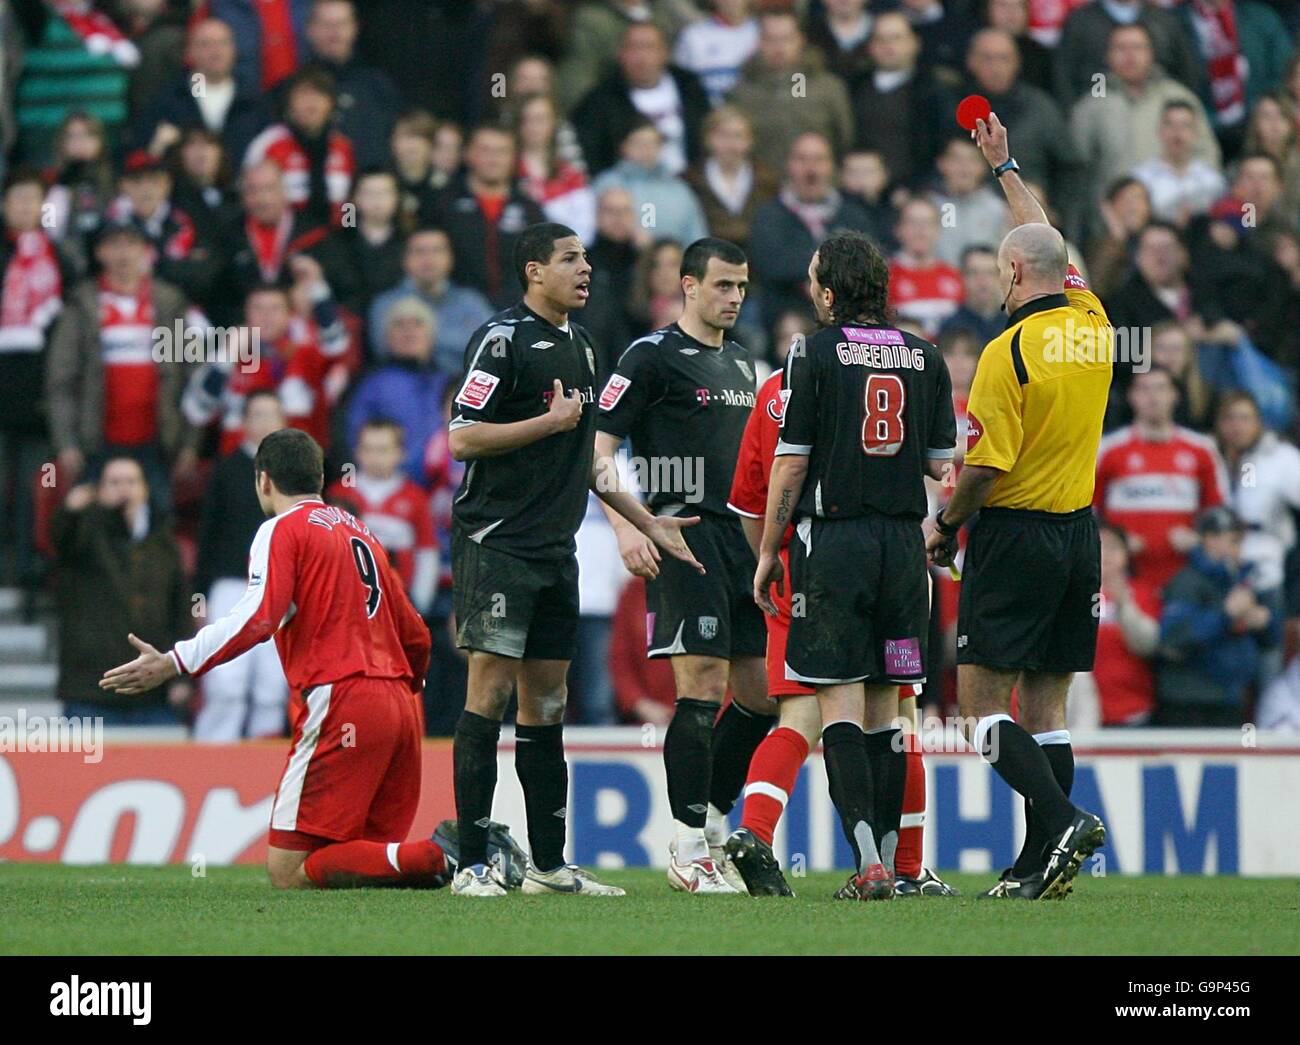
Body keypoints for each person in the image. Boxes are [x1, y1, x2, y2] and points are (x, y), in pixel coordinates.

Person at [446, 222, 703, 897]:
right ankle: (471, 862)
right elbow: (461, 437)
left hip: (555, 550)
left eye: (587, 258)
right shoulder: (502, 340)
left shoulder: (586, 348)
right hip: (496, 543)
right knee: (489, 694)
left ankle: (548, 866)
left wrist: (645, 522)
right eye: (569, 259)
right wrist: (545, 423)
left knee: (548, 701)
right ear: (534, 271)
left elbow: (594, 460)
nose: (585, 269)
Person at [100, 428, 447, 891]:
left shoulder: (282, 529)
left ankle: (449, 854)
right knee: (363, 868)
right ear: (321, 478)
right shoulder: (360, 529)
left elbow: (258, 617)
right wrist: (402, 692)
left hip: (343, 696)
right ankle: (454, 861)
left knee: (288, 871)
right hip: (401, 704)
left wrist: (176, 660)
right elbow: (416, 633)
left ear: (263, 481)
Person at [923, 112, 1109, 901]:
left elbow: (986, 471)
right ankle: (1040, 866)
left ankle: (1063, 819)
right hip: (1080, 535)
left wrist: (945, 523)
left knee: (981, 709)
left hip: (1017, 535)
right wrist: (1005, 169)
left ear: (1010, 274)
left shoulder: (1006, 355)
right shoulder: (1094, 325)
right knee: (1049, 706)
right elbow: (1047, 242)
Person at [754, 229, 956, 901]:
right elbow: (939, 467)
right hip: (902, 551)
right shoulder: (926, 356)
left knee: (838, 703)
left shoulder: (811, 352)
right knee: (891, 711)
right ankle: (902, 865)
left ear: (831, 292)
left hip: (833, 545)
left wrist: (767, 550)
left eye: (816, 283)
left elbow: (791, 462)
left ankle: (869, 861)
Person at [594, 237, 775, 894]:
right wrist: (628, 524)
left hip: (742, 543)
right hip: (682, 537)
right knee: (699, 688)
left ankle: (712, 816)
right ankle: (686, 842)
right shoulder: (650, 356)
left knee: (760, 697)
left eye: (741, 286)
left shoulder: (743, 363)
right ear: (688, 285)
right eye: (722, 285)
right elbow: (599, 448)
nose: (733, 297)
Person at [53, 457, 192, 726]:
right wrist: (70, 511)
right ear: (99, 491)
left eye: (131, 481)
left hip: (154, 696)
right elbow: (60, 540)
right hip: (91, 694)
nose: (123, 489)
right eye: (114, 482)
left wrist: (182, 677)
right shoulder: (84, 535)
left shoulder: (164, 544)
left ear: (145, 490)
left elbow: (181, 613)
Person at [191, 390, 290, 742]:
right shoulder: (226, 469)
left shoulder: (296, 472)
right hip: (231, 585)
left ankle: (264, 763)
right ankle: (213, 761)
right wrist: (199, 595)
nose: (264, 422)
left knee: (271, 687)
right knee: (226, 684)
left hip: (280, 590)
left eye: (271, 414)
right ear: (244, 422)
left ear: (284, 422)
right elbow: (207, 536)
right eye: (257, 415)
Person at [1094, 367, 1227, 591]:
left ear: (1175, 395)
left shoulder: (1201, 449)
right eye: (1144, 389)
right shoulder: (1109, 449)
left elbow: (1218, 511)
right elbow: (1090, 510)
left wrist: (1197, 538)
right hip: (1124, 577)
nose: (1153, 397)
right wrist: (1115, 543)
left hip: (1186, 575)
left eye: (1161, 388)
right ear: (1131, 397)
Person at [1157, 506, 1280, 725]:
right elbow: (1174, 637)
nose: (1239, 549)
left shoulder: (1243, 578)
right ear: (1210, 539)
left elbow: (1271, 641)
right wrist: (1225, 614)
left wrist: (1264, 622)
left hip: (1230, 698)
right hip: (1189, 702)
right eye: (1234, 541)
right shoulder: (1187, 582)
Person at [326, 419, 437, 618]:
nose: (375, 458)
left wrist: (420, 605)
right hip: (346, 603)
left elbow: (426, 553)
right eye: (368, 449)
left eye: (383, 450)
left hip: (398, 602)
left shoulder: (415, 498)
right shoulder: (339, 494)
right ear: (358, 452)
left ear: (401, 453)